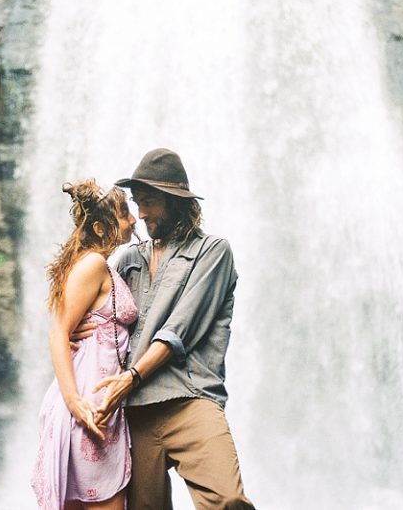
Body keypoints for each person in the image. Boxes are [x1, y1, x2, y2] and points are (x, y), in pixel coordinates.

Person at [81, 148, 257, 509]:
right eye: (137, 202)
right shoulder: (129, 259)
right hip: (134, 413)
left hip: (190, 400)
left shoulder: (213, 253)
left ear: (176, 202)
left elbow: (179, 330)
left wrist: (129, 378)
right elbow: (99, 313)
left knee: (228, 501)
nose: (141, 213)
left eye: (149, 203)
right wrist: (76, 329)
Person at [31, 179, 138, 510]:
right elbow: (58, 332)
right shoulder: (92, 264)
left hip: (96, 406)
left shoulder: (99, 264)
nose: (133, 220)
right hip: (88, 409)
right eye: (125, 214)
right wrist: (76, 402)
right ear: (99, 226)